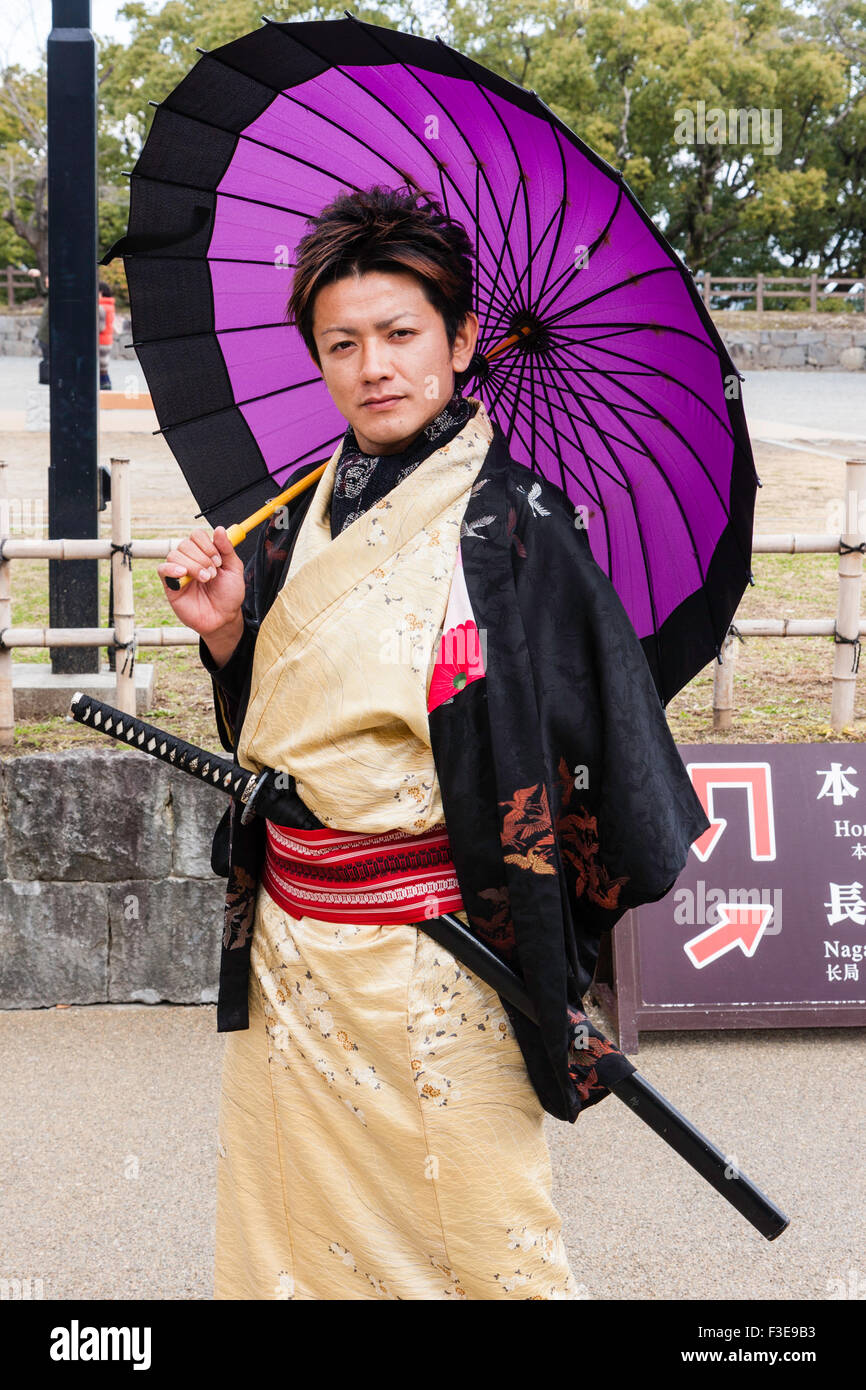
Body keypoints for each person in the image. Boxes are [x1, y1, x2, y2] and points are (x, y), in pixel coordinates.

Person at [158, 185, 710, 1300]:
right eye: (342, 343)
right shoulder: (303, 512)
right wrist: (227, 637)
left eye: (402, 334)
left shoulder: (519, 524)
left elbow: (599, 742)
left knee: (479, 1230)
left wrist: (534, 913)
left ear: (460, 340)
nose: (374, 367)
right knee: (290, 1233)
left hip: (438, 946)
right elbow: (283, 717)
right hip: (292, 951)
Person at [98, 280, 115, 389]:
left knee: (101, 367)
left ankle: (105, 386)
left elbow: (100, 327)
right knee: (103, 366)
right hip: (108, 340)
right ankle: (105, 385)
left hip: (100, 340)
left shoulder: (100, 307)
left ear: (101, 292)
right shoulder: (109, 305)